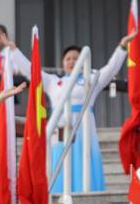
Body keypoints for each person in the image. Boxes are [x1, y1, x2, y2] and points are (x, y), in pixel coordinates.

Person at [45, 35, 134, 193]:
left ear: (83, 62)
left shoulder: (91, 80)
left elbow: (111, 68)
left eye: (76, 58)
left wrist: (122, 47)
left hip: (84, 126)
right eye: (68, 58)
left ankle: (85, 191)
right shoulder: (53, 82)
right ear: (63, 63)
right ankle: (56, 194)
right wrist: (14, 51)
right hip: (60, 127)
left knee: (83, 159)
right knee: (58, 157)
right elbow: (30, 70)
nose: (72, 61)